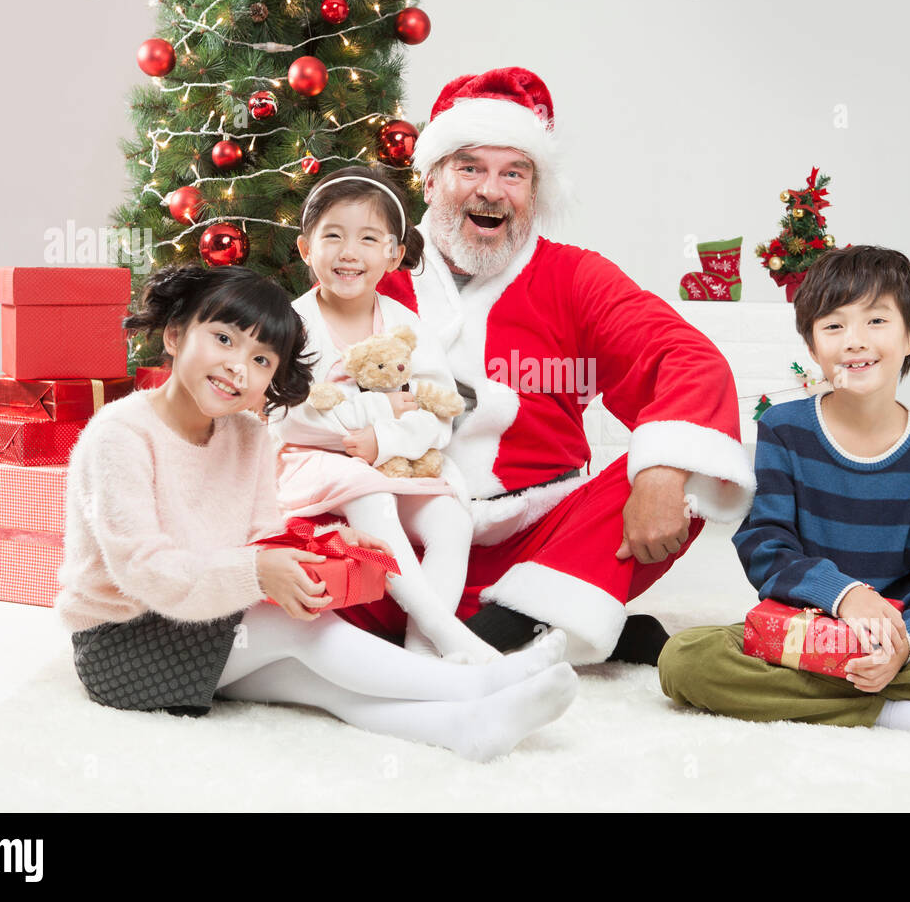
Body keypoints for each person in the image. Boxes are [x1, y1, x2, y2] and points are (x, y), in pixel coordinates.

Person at [54, 264, 577, 761]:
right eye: (223, 339)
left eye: (262, 360)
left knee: (323, 682)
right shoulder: (119, 436)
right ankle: (476, 680)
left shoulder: (250, 434)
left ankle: (468, 730)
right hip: (123, 643)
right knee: (298, 628)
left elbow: (264, 534)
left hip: (208, 622)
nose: (239, 365)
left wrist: (333, 545)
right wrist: (258, 574)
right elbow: (145, 571)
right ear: (174, 336)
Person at [355, 66, 756, 666]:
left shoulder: (575, 276)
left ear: (535, 192)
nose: (491, 191)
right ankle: (551, 626)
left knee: (687, 467)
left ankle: (513, 619)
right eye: (470, 167)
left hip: (538, 540)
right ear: (432, 180)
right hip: (398, 535)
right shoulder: (369, 265)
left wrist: (660, 474)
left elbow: (686, 359)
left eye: (513, 173)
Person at [657, 246, 910, 746]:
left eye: (876, 320)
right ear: (812, 346)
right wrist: (844, 595)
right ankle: (893, 713)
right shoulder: (783, 429)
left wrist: (901, 645)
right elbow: (767, 546)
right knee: (687, 661)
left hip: (899, 635)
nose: (854, 342)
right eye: (833, 326)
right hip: (806, 629)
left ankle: (840, 696)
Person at [269, 166, 499, 664]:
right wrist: (378, 415)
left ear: (392, 255)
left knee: (451, 521)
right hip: (312, 460)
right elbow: (289, 415)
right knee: (371, 494)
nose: (349, 252)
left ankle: (422, 649)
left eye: (368, 239)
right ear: (307, 248)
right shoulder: (292, 324)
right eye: (333, 236)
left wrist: (387, 440)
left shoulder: (406, 327)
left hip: (396, 457)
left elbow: (436, 413)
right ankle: (452, 635)